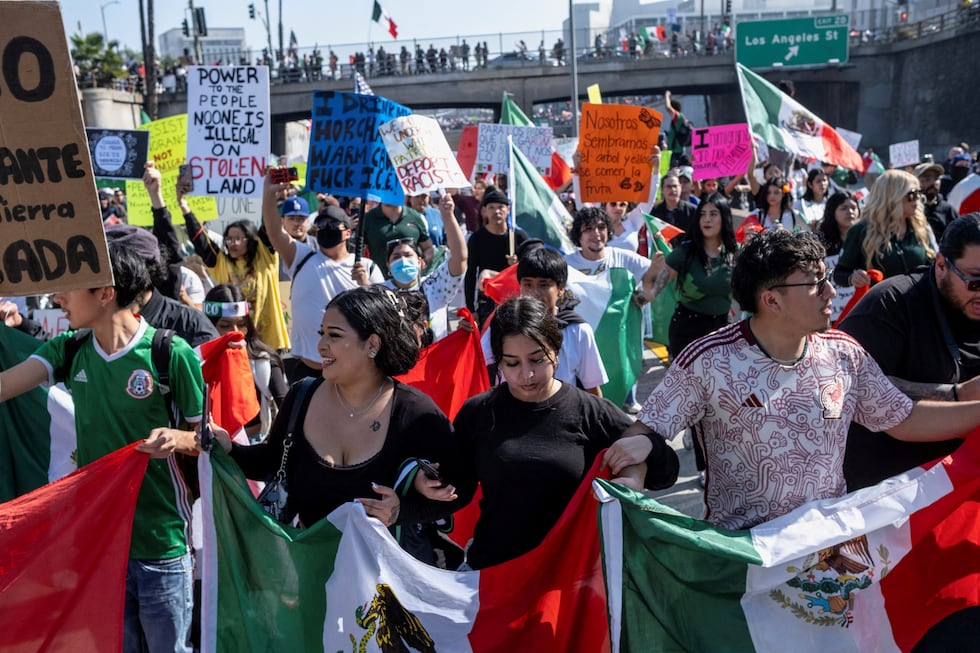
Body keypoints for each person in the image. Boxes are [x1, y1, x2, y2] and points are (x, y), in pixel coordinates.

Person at [606, 229, 980, 531]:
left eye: (827, 279)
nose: (831, 292)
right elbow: (642, 433)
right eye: (816, 284)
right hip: (743, 560)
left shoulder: (844, 354)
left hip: (829, 553)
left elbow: (905, 420)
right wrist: (632, 484)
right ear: (771, 300)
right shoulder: (708, 360)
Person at [0, 241, 205, 653]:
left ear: (105, 293)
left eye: (70, 288)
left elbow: (211, 440)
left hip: (161, 543)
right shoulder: (69, 349)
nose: (58, 299)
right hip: (99, 544)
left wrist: (178, 438)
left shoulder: (169, 353)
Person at [418, 296, 678, 570]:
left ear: (555, 349)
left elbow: (666, 473)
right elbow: (454, 489)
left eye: (537, 359)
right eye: (512, 363)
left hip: (569, 582)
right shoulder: (478, 413)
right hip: (495, 574)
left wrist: (648, 447)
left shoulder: (591, 412)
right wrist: (418, 488)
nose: (526, 374)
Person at [213, 286, 460, 563]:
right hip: (308, 577)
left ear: (372, 345)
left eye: (334, 335)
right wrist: (229, 448)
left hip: (381, 587)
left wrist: (403, 510)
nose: (320, 346)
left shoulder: (414, 411)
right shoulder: (301, 396)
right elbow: (271, 462)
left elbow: (459, 488)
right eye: (322, 334)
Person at [261, 172, 381, 382]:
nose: (326, 229)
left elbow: (383, 313)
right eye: (321, 225)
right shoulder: (301, 257)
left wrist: (365, 285)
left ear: (348, 233)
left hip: (352, 374)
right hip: (308, 371)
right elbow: (274, 231)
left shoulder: (367, 268)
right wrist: (269, 194)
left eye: (333, 225)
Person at [175, 180, 290, 352]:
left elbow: (271, 223)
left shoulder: (265, 254)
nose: (232, 243)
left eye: (238, 238)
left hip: (268, 342)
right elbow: (199, 239)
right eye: (228, 239)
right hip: (234, 343)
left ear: (251, 240)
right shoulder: (221, 262)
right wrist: (183, 205)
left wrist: (276, 196)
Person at [482, 244, 608, 395]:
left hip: (561, 414)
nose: (534, 293)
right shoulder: (502, 326)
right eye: (527, 284)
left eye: (544, 285)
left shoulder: (578, 331)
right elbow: (478, 368)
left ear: (561, 289)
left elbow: (592, 388)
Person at [646, 193, 738, 362]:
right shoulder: (684, 253)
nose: (707, 220)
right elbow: (653, 291)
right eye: (702, 214)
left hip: (723, 330)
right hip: (688, 331)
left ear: (724, 218)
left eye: (713, 214)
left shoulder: (735, 254)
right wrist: (639, 295)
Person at [203, 284, 287, 439]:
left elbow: (287, 409)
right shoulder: (198, 360)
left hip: (255, 444)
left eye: (241, 325)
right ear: (209, 325)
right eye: (225, 326)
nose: (235, 332)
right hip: (210, 446)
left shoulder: (264, 360)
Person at [833, 169, 936, 289]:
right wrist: (853, 277)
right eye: (912, 194)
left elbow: (933, 267)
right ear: (893, 196)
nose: (918, 198)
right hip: (882, 304)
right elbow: (839, 274)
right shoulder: (861, 230)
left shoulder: (920, 227)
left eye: (919, 192)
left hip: (918, 304)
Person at [383, 193, 466, 341]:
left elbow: (459, 258)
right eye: (396, 257)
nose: (403, 260)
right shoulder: (379, 294)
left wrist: (447, 216)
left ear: (420, 263)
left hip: (433, 362)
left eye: (408, 255)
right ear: (388, 266)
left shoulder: (435, 287)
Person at [464, 185, 529, 328]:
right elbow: (471, 274)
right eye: (492, 207)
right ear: (485, 211)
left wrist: (517, 263)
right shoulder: (477, 238)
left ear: (508, 210)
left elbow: (530, 270)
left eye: (500, 207)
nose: (496, 211)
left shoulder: (518, 237)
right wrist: (471, 309)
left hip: (513, 300)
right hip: (487, 301)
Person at [815, 191, 860, 322]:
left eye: (853, 208)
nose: (850, 212)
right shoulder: (820, 241)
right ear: (832, 211)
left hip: (858, 307)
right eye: (844, 208)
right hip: (832, 311)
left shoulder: (866, 239)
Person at [361, 200, 434, 279]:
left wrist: (423, 262)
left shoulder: (415, 217)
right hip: (380, 281)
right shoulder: (367, 219)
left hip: (411, 281)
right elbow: (357, 251)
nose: (389, 194)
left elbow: (428, 248)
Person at [736, 177, 809, 242]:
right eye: (768, 193)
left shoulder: (794, 214)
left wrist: (787, 236)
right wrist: (747, 234)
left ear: (783, 194)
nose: (772, 196)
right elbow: (742, 238)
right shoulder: (757, 215)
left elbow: (807, 233)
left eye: (776, 192)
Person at [915, 161, 959, 242]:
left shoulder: (948, 210)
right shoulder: (912, 209)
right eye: (927, 178)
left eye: (936, 178)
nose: (933, 183)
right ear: (916, 182)